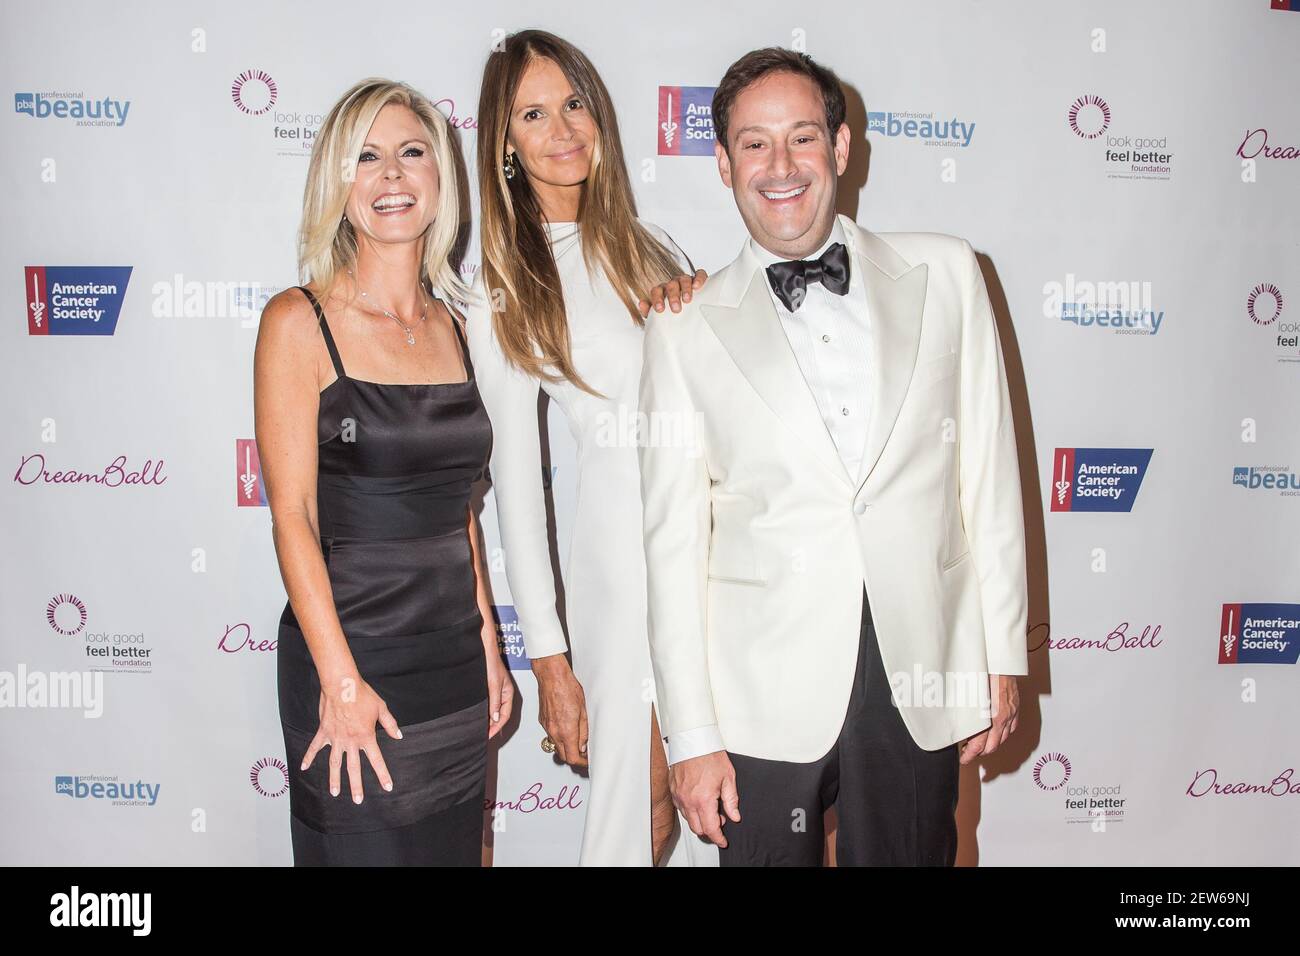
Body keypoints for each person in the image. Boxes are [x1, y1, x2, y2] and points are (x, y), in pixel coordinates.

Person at [638, 48, 1028, 866]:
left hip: (919, 671)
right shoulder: (682, 327)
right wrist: (691, 735)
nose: (780, 166)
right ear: (721, 163)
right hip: (757, 694)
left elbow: (987, 480)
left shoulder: (950, 273)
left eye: (802, 138)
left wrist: (998, 653)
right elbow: (671, 545)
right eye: (753, 143)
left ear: (841, 149)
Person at [466, 29, 714, 866]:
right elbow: (514, 485)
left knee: (734, 787)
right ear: (504, 142)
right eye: (533, 114)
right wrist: (552, 664)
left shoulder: (655, 249)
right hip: (625, 562)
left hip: (720, 547)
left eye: (573, 103)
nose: (562, 128)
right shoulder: (505, 283)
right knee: (640, 798)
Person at [254, 78, 513, 866]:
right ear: (338, 183)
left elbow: (458, 509)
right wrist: (339, 683)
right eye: (366, 158)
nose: (392, 176)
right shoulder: (298, 322)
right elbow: (292, 514)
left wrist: (493, 651)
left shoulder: (457, 325)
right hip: (353, 663)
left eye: (411, 153)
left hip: (454, 669)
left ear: (440, 177)